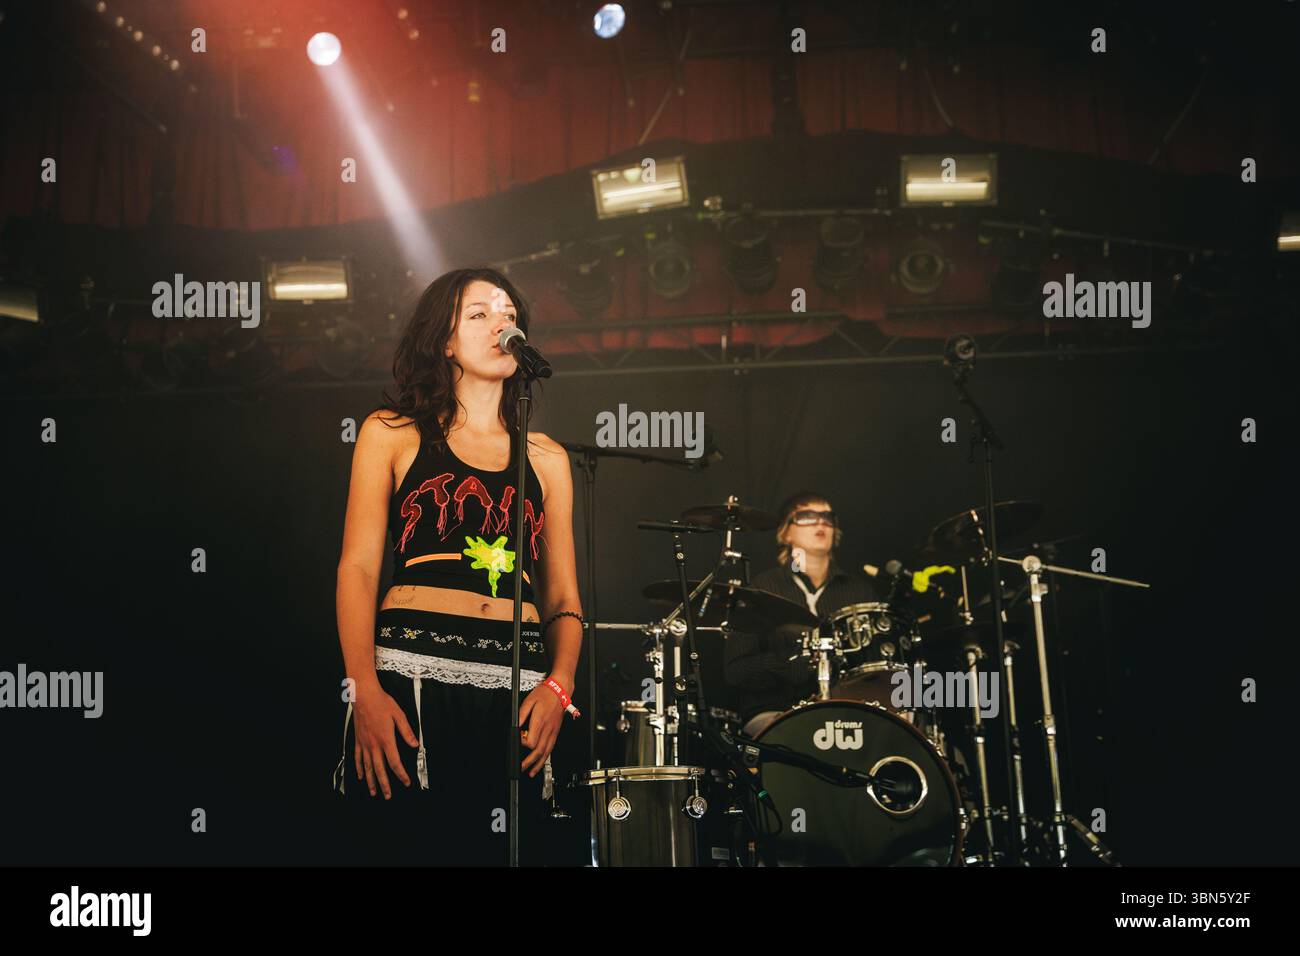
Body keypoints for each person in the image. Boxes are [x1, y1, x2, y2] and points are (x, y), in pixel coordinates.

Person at [330, 267, 584, 865]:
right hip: (410, 680)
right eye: (479, 313)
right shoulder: (391, 432)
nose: (501, 322)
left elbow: (564, 596)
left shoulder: (547, 457)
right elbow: (359, 568)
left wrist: (560, 683)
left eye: (509, 313)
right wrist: (362, 688)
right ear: (445, 342)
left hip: (515, 689)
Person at [723, 491, 879, 737]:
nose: (820, 522)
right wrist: (795, 663)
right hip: (775, 710)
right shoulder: (762, 588)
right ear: (785, 532)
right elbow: (736, 671)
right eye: (807, 515)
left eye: (828, 516)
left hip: (846, 712)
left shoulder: (858, 590)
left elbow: (874, 665)